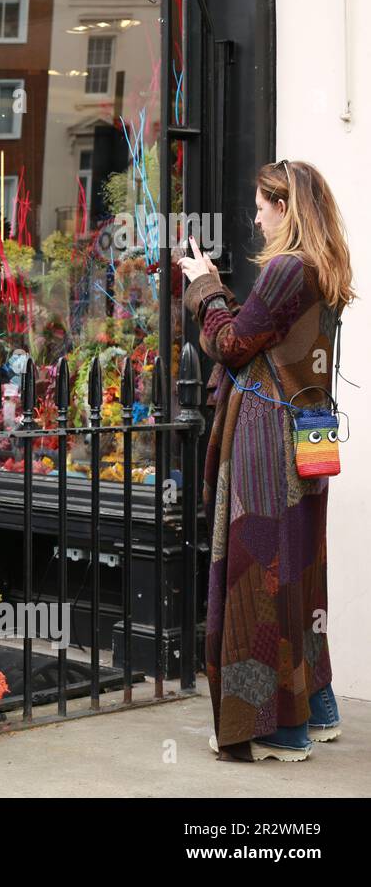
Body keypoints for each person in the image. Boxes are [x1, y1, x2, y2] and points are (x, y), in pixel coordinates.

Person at [180, 159, 353, 763]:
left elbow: (231, 345)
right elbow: (266, 338)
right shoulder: (327, 269)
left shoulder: (285, 269)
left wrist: (204, 284)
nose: (255, 215)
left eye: (262, 204)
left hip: (268, 437)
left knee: (260, 576)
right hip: (310, 432)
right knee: (301, 570)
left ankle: (280, 728)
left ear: (288, 208)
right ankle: (320, 708)